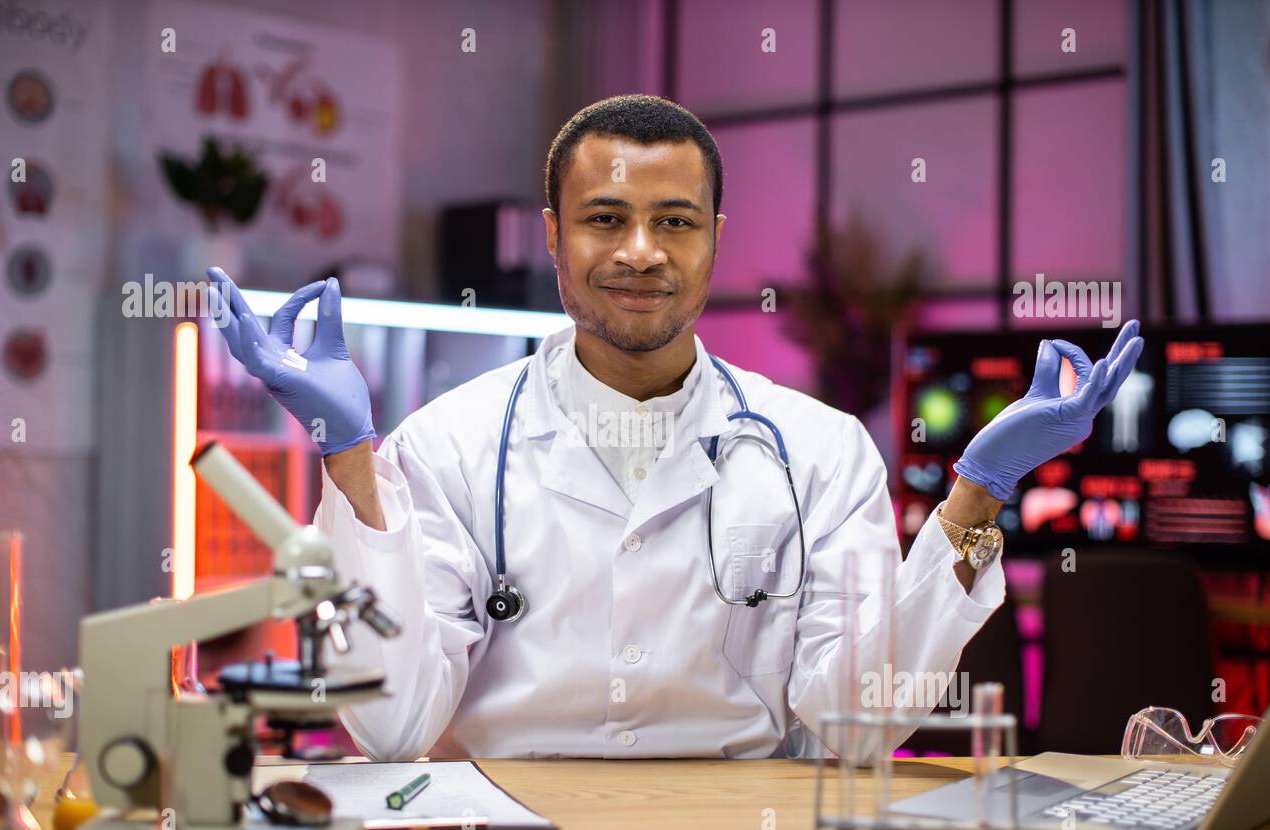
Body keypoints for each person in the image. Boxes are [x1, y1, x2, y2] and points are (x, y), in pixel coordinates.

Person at [207, 94, 1143, 762]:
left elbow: (857, 721)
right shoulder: (444, 445)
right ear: (552, 236)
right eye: (604, 218)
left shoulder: (815, 449)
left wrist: (976, 493)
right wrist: (351, 460)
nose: (641, 251)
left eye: (675, 221)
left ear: (715, 239)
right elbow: (396, 723)